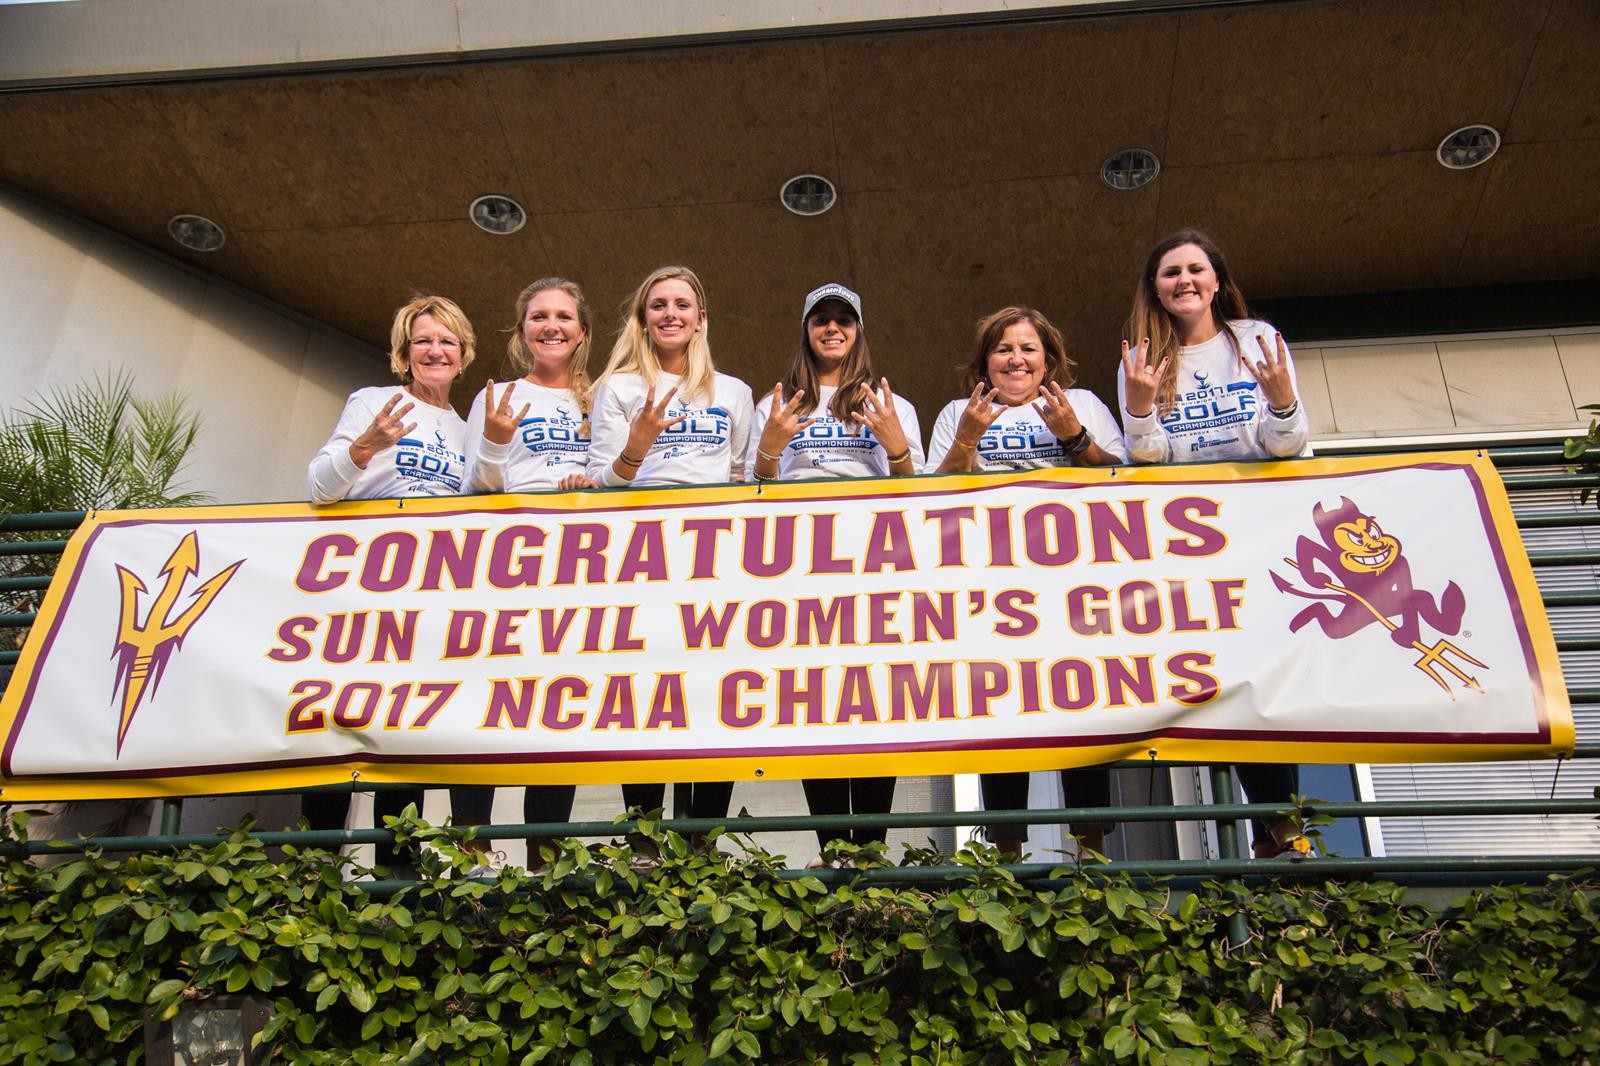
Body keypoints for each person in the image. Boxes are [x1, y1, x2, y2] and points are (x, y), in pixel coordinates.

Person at [1117, 227, 1312, 858]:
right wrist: (1143, 407)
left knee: (1266, 679)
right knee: (1218, 677)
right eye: (1170, 272)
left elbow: (1286, 446)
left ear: (1217, 281)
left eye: (1195, 269)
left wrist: (1282, 402)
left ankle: (1283, 832)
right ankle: (1267, 830)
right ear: (1156, 288)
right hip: (1194, 540)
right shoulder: (1144, 360)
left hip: (1264, 529)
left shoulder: (1258, 340)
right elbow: (1149, 460)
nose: (1184, 281)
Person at [927, 306, 1129, 858]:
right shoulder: (956, 411)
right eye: (1003, 349)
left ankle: (1090, 847)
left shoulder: (1080, 404)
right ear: (985, 362)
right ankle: (1007, 849)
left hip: (1073, 583)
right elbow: (930, 500)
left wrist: (1074, 436)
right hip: (988, 587)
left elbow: (1123, 478)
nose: (1016, 359)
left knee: (1082, 699)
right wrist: (967, 439)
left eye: (1028, 349)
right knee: (999, 703)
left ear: (1049, 361)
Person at [305, 294, 492, 872]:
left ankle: (397, 868)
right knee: (341, 724)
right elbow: (318, 488)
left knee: (404, 728)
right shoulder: (373, 403)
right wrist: (366, 447)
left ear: (463, 357)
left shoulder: (469, 432)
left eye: (447, 342)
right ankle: (318, 865)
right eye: (423, 341)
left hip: (431, 598)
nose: (435, 351)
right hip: (361, 587)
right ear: (403, 354)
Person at [749, 282, 923, 863]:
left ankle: (870, 848)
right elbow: (750, 494)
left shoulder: (889, 403)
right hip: (798, 571)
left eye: (843, 320)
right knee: (812, 704)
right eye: (820, 319)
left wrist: (897, 448)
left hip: (872, 569)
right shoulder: (775, 403)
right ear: (806, 329)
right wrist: (770, 448)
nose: (832, 328)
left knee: (874, 702)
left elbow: (918, 499)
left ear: (858, 330)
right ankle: (832, 848)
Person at [586, 265, 753, 825]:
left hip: (715, 561)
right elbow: (600, 481)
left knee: (714, 696)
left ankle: (703, 841)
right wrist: (635, 449)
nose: (671, 314)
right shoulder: (617, 388)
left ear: (701, 318)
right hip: (641, 557)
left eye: (682, 304)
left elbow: (741, 477)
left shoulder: (733, 392)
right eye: (658, 305)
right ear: (643, 319)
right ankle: (643, 841)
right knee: (645, 694)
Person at [464, 277, 599, 866]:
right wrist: (495, 444)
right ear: (522, 332)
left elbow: (623, 476)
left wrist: (592, 483)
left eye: (564, 317)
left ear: (583, 331)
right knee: (488, 704)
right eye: (539, 316)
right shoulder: (497, 397)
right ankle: (474, 850)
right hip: (509, 567)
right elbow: (472, 490)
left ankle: (544, 854)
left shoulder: (604, 396)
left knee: (557, 711)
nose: (552, 326)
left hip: (583, 570)